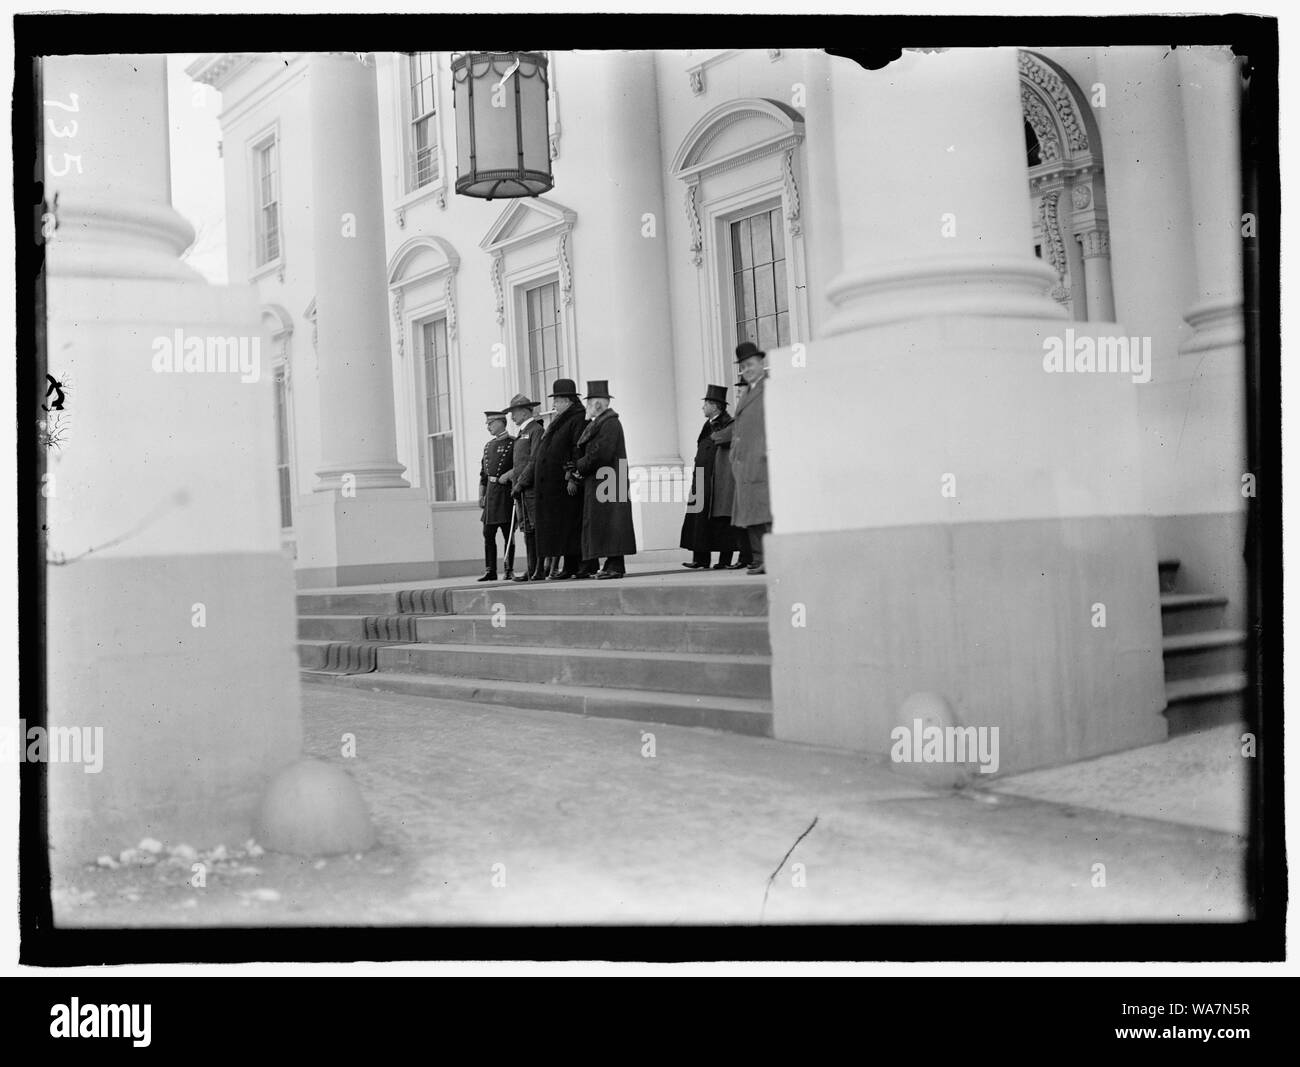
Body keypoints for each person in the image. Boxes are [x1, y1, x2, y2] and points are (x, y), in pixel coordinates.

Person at [569, 380, 637, 579]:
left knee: (612, 523)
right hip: (605, 480)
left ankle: (615, 566)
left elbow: (601, 454)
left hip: (608, 481)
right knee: (608, 523)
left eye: (589, 402)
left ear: (597, 404)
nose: (587, 406)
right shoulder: (603, 423)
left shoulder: (609, 424)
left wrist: (579, 465)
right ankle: (611, 564)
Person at [531, 379, 587, 579]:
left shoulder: (577, 419)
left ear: (567, 400)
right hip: (553, 486)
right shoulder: (561, 420)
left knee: (571, 525)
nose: (554, 404)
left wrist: (573, 477)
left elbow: (577, 449)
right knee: (562, 528)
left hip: (565, 483)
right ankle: (569, 566)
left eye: (556, 400)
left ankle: (580, 566)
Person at [680, 384, 739, 570]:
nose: (703, 407)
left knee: (720, 519)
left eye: (706, 403)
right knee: (699, 518)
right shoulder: (708, 424)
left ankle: (724, 560)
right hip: (702, 477)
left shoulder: (727, 423)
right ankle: (701, 559)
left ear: (715, 405)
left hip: (716, 479)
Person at [730, 342, 771, 575]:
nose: (747, 369)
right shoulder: (746, 392)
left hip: (762, 461)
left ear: (761, 363)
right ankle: (758, 558)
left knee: (765, 512)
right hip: (744, 464)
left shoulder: (769, 388)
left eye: (751, 364)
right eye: (743, 366)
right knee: (751, 513)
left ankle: (769, 557)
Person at [500, 393, 545, 582]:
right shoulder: (521, 433)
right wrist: (515, 480)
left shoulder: (536, 430)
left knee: (536, 528)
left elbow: (534, 460)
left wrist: (521, 482)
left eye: (515, 412)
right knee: (527, 530)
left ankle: (539, 570)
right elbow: (520, 463)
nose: (512, 417)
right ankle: (530, 568)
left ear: (526, 412)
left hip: (531, 488)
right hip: (521, 490)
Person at [711, 379, 753, 569]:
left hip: (738, 475)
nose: (737, 396)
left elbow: (721, 436)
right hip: (731, 475)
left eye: (740, 392)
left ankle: (747, 558)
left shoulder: (740, 418)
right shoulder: (739, 416)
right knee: (733, 521)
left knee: (741, 520)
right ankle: (745, 558)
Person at [478, 410, 516, 581]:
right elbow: (483, 475)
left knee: (508, 534)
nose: (488, 427)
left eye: (491, 423)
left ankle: (509, 569)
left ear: (501, 422)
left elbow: (521, 464)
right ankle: (490, 570)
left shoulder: (513, 443)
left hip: (505, 493)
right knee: (488, 534)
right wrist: (481, 495)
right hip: (491, 495)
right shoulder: (488, 446)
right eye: (487, 424)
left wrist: (508, 475)